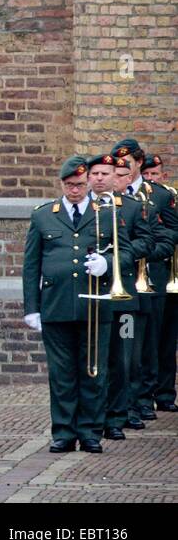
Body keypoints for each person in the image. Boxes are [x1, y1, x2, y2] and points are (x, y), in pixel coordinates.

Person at [22, 156, 117, 453]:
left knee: (93, 372)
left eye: (78, 184)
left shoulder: (106, 212)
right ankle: (63, 431)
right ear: (61, 185)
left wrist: (108, 263)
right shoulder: (43, 216)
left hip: (95, 305)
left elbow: (124, 252)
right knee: (61, 374)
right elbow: (31, 265)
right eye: (68, 185)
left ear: (88, 181)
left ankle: (90, 431)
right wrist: (32, 307)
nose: (74, 190)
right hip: (56, 304)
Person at [111, 138, 178, 420]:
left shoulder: (159, 195)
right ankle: (130, 399)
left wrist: (147, 254)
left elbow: (171, 234)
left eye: (127, 165)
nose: (121, 170)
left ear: (139, 163)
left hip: (151, 277)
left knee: (152, 341)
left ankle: (148, 395)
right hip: (123, 281)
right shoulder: (111, 197)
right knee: (128, 342)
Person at [89, 154, 148, 440]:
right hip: (90, 295)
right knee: (93, 360)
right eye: (95, 173)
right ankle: (93, 416)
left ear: (117, 177)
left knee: (121, 360)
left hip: (122, 296)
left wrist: (115, 259)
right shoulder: (78, 207)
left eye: (106, 173)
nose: (100, 178)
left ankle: (116, 417)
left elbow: (146, 241)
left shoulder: (132, 208)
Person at [141, 153, 178, 412]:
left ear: (162, 176)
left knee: (166, 339)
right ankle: (147, 392)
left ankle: (165, 393)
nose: (151, 179)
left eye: (155, 174)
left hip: (165, 273)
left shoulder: (166, 196)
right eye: (147, 174)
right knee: (148, 339)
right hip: (147, 275)